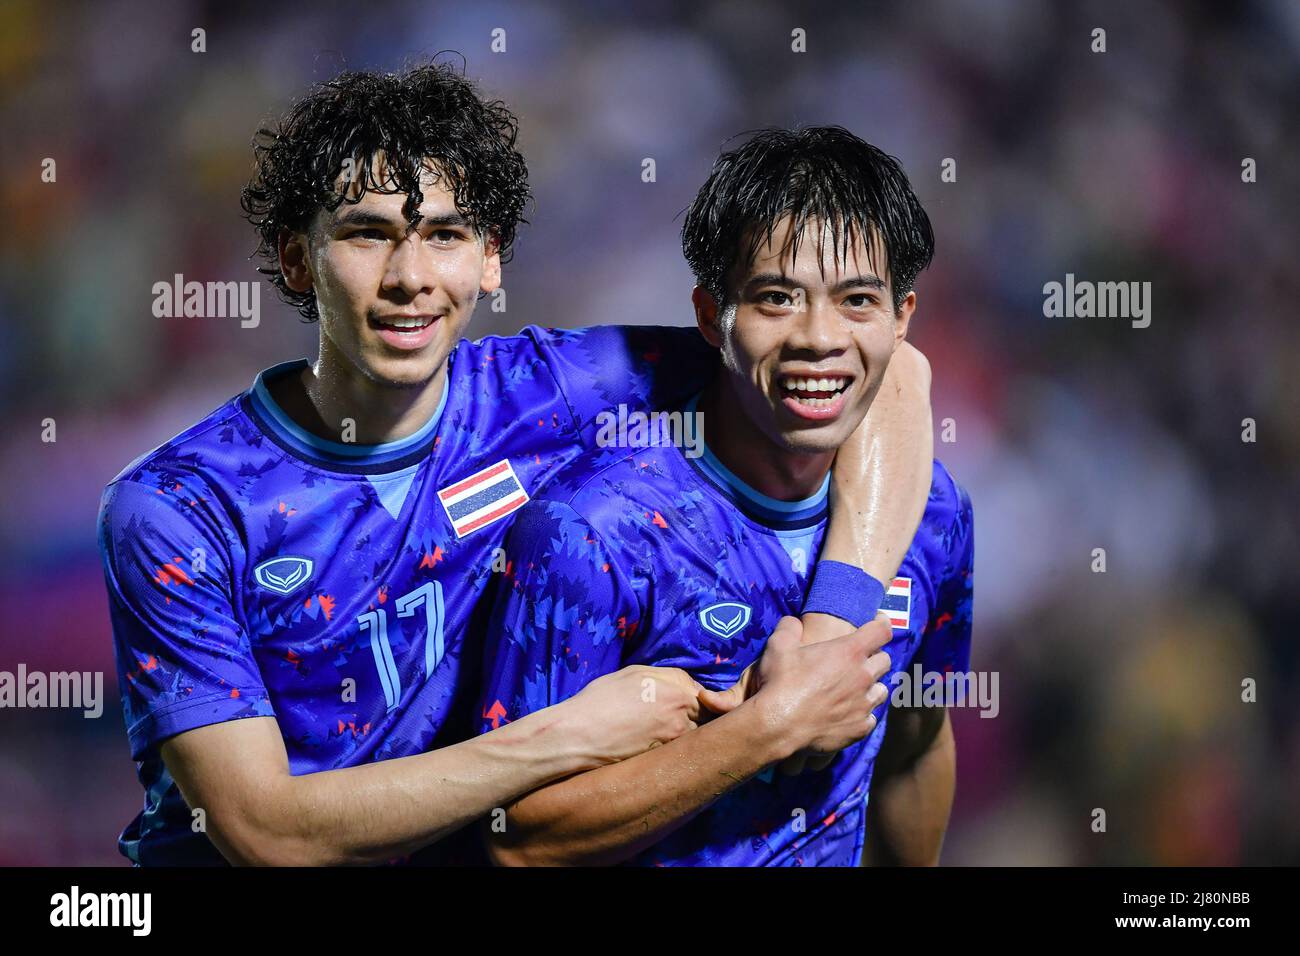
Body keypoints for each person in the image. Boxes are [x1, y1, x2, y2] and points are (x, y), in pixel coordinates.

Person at [97, 64, 934, 866]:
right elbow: (266, 834)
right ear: (293, 259)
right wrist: (562, 739)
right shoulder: (177, 510)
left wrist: (827, 634)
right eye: (366, 235)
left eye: (444, 236)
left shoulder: (550, 394)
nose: (409, 278)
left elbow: (885, 370)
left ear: (489, 260)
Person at [479, 126, 973, 866]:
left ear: (901, 319)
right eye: (777, 298)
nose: (820, 338)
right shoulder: (592, 535)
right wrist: (765, 730)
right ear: (713, 316)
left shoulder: (935, 515)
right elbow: (518, 845)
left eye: (857, 301)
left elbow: (914, 745)